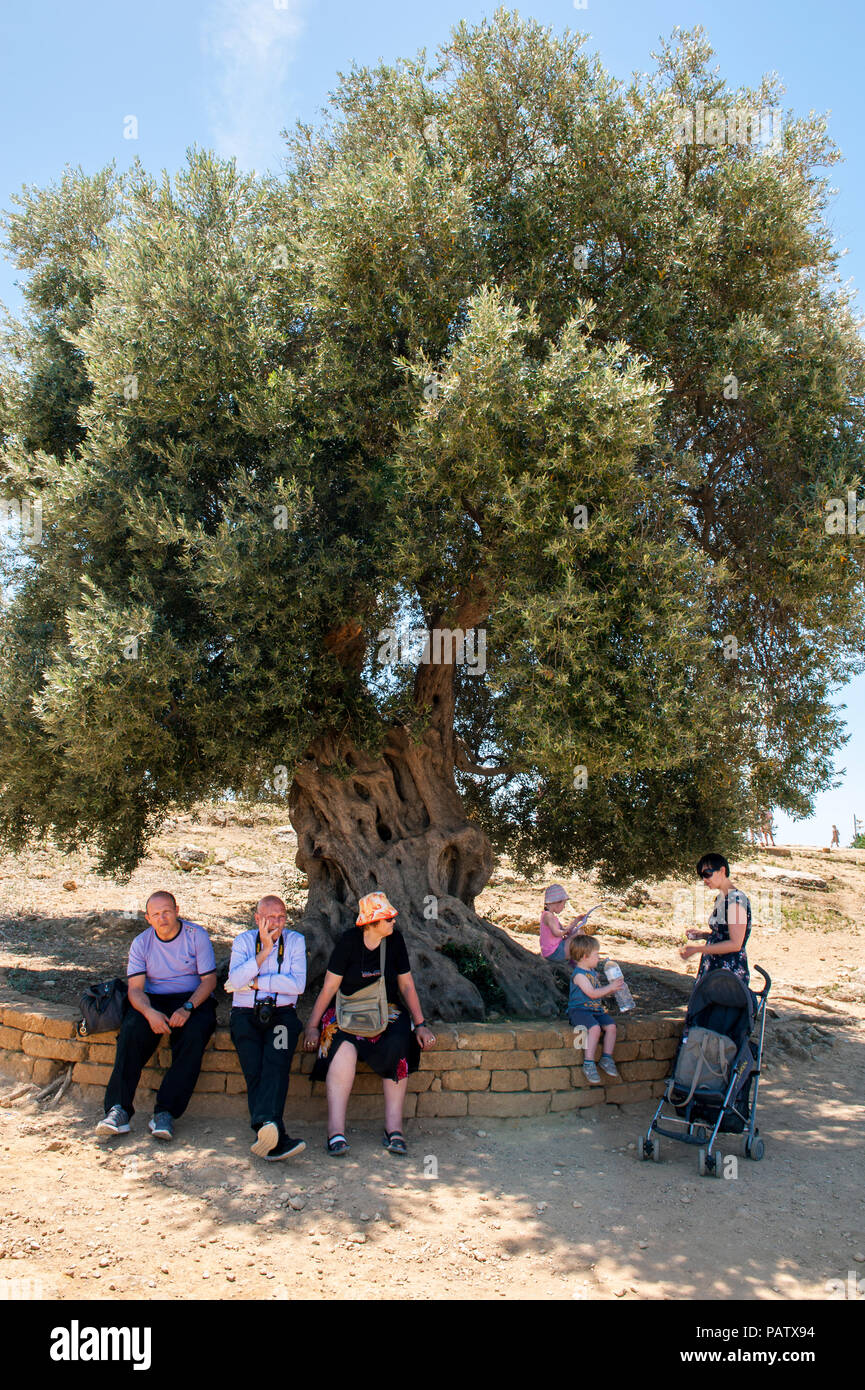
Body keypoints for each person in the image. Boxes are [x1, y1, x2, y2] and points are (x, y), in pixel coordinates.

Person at [302, 892, 437, 1156]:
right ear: (371, 923)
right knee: (342, 1047)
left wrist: (420, 1023)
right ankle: (336, 1131)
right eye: (388, 919)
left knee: (399, 1041)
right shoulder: (349, 943)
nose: (393, 922)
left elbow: (406, 985)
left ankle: (394, 1128)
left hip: (385, 1009)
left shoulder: (395, 941)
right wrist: (312, 1026)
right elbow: (330, 987)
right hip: (348, 1008)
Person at [97, 891, 217, 1140]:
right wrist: (150, 1012)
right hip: (154, 1000)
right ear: (148, 918)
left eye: (167, 912)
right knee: (130, 1032)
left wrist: (187, 1008)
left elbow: (208, 981)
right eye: (156, 914)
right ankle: (118, 1110)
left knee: (194, 1035)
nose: (162, 918)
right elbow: (136, 990)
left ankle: (165, 1113)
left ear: (177, 910)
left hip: (191, 998)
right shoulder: (142, 942)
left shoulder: (197, 936)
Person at [226, 895, 307, 1161]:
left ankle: (265, 1131)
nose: (276, 922)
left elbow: (297, 986)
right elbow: (234, 979)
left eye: (281, 916)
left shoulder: (295, 941)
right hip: (245, 1014)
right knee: (254, 1069)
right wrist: (264, 953)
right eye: (270, 917)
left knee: (277, 1061)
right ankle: (274, 1135)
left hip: (282, 1014)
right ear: (257, 919)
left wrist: (256, 984)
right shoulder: (243, 941)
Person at [679, 852, 752, 987]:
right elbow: (724, 935)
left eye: (707, 873)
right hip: (714, 969)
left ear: (722, 870)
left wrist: (697, 949)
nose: (704, 879)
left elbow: (735, 944)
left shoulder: (736, 900)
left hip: (728, 973)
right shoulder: (721, 898)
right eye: (702, 876)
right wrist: (703, 935)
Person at [566, 935, 620, 1085]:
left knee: (611, 1027)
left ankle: (606, 1058)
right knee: (595, 1028)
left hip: (595, 1010)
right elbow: (592, 993)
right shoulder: (579, 975)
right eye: (596, 954)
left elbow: (599, 992)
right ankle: (589, 1062)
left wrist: (613, 990)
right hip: (579, 1011)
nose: (598, 958)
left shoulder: (591, 973)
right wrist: (610, 987)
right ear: (585, 956)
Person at [539, 884, 589, 961]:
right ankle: (576, 961)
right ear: (556, 902)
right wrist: (565, 932)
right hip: (554, 953)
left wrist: (577, 920)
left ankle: (575, 960)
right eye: (564, 904)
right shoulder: (548, 917)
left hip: (554, 950)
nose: (564, 907)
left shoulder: (549, 916)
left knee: (578, 931)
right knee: (579, 934)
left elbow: (563, 930)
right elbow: (557, 933)